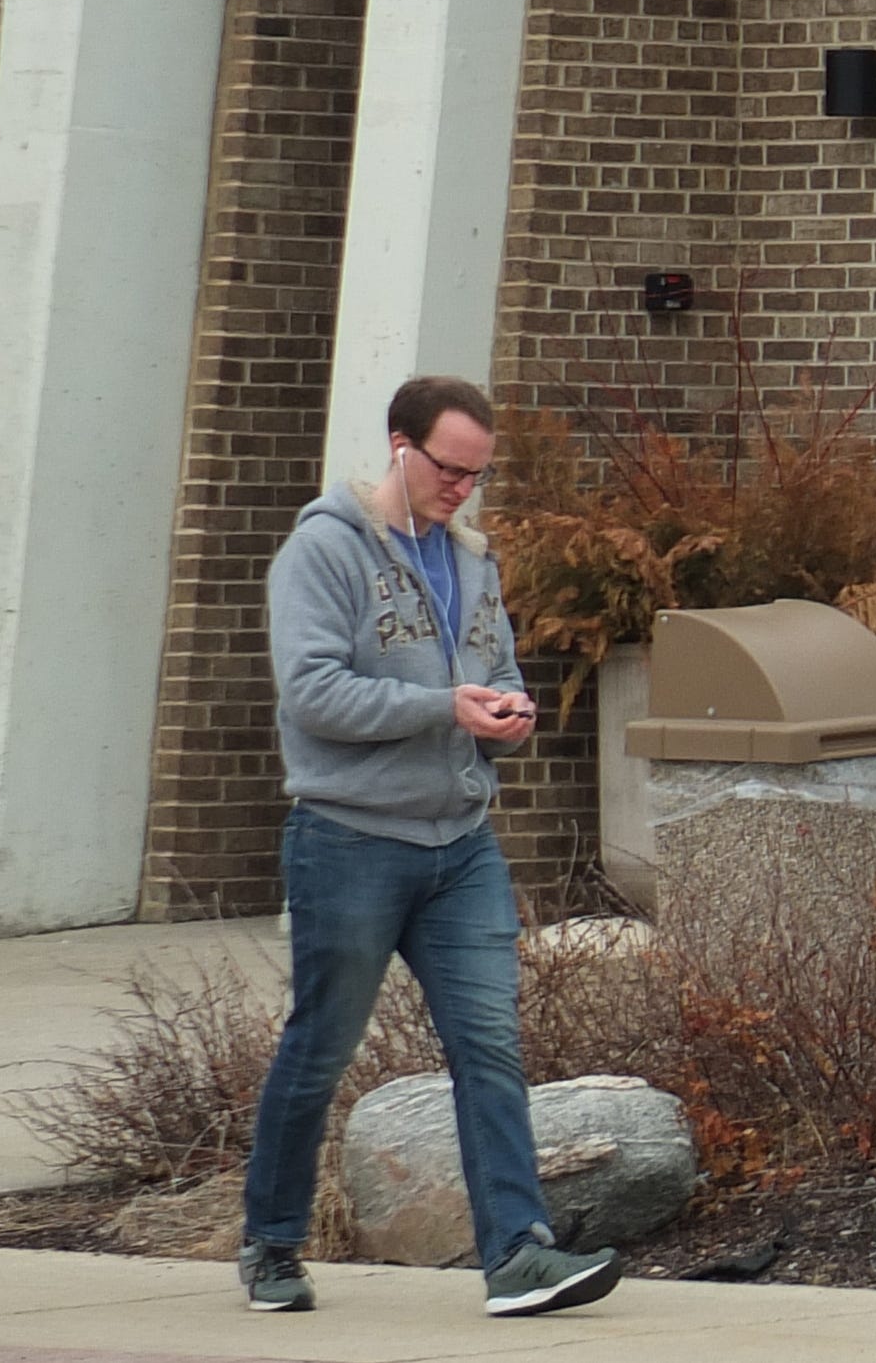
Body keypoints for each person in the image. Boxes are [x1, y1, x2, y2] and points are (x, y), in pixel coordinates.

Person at [236, 375, 622, 1319]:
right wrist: (439, 705)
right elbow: (312, 694)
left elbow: (493, 664)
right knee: (322, 1046)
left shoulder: (472, 559)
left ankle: (519, 1257)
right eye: (450, 470)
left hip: (463, 847)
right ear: (400, 447)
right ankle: (273, 1243)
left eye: (477, 475)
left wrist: (506, 710)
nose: (463, 489)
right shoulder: (322, 551)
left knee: (490, 1046)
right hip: (349, 841)